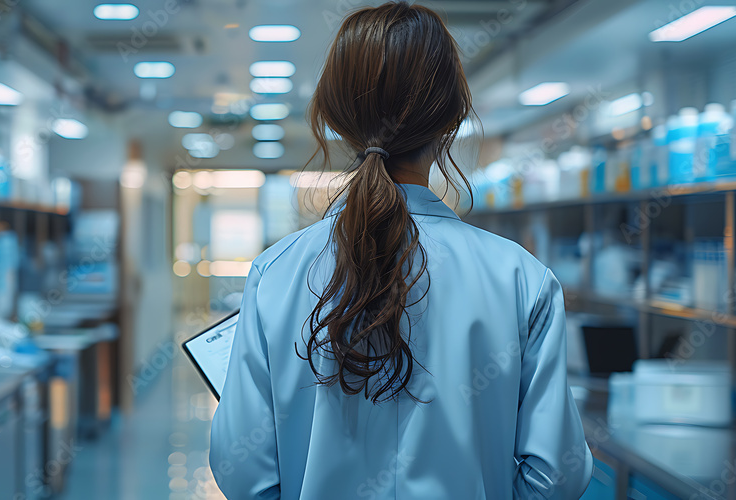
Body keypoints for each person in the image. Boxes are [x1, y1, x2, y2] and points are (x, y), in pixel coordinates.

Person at [209, 2, 593, 498]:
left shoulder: (276, 273)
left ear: (335, 117)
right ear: (452, 119)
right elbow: (555, 474)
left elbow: (242, 469)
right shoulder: (522, 280)